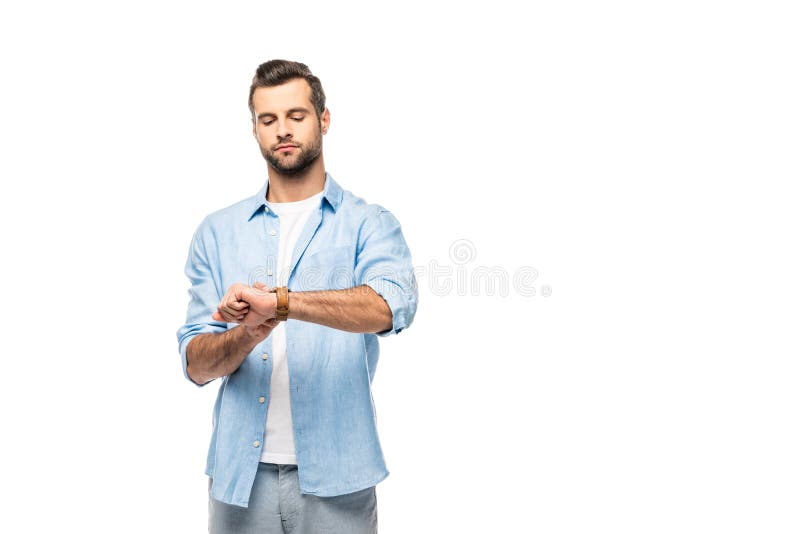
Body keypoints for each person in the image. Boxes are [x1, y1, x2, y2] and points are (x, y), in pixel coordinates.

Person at [175, 59, 418, 533]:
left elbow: (389, 306)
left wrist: (282, 304)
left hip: (339, 479)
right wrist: (244, 335)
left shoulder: (369, 223)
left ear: (323, 120)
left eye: (296, 115)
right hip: (239, 482)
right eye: (268, 120)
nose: (283, 129)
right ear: (254, 130)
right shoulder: (217, 232)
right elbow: (195, 363)